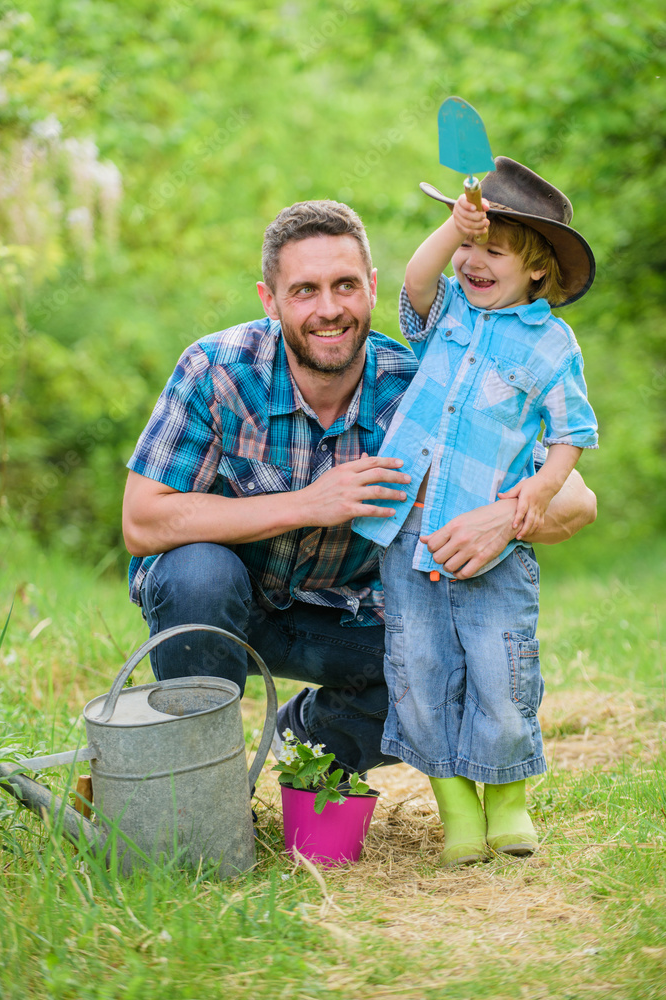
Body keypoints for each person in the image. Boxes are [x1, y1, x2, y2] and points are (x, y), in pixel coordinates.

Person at [121, 197, 596, 789]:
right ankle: (198, 792)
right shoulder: (217, 371)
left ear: (371, 288)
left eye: (345, 285)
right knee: (197, 571)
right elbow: (142, 522)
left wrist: (503, 517)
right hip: (220, 608)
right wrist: (310, 503)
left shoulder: (417, 384)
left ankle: (309, 747)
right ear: (270, 301)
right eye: (304, 291)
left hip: (342, 621)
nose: (329, 310)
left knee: (455, 667)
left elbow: (579, 500)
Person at [352, 158, 598, 866]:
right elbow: (416, 283)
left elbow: (570, 435)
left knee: (501, 667)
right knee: (419, 667)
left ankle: (508, 799)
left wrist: (541, 492)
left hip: (494, 541)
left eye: (494, 251)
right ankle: (455, 805)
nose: (474, 262)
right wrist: (452, 226)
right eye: (470, 247)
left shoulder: (551, 344)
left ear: (538, 272)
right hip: (408, 528)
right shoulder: (449, 315)